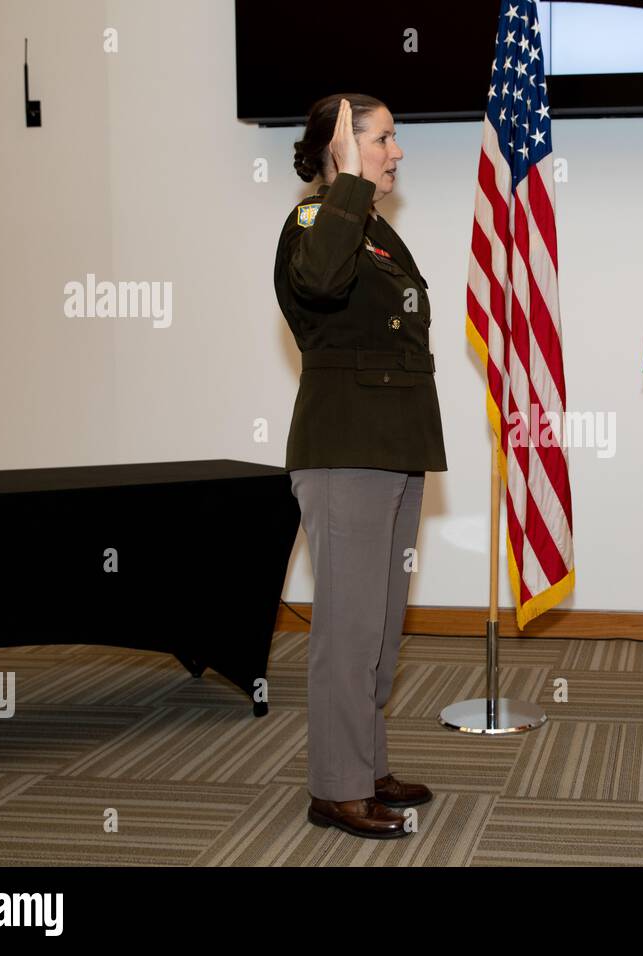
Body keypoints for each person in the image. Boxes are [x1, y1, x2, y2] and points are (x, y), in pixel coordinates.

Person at [274, 93, 447, 839]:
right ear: (341, 149)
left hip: (393, 446)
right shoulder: (318, 221)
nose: (396, 152)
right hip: (346, 449)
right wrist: (344, 181)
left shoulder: (376, 233)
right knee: (345, 628)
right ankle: (335, 787)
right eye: (381, 139)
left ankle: (366, 764)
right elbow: (317, 286)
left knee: (377, 628)